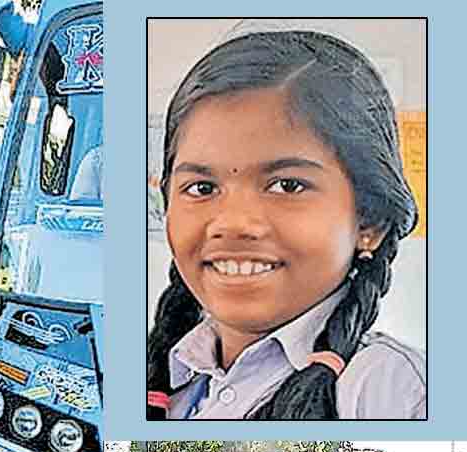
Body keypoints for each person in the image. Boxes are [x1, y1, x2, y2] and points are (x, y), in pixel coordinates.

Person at [146, 30, 426, 420]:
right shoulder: (161, 376)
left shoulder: (390, 391)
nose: (233, 224)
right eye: (202, 187)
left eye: (287, 185)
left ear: (370, 220)